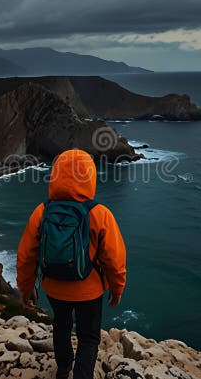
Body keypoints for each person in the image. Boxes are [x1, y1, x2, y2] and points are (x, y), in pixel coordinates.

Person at [16, 149, 127, 379]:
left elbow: (26, 255)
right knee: (88, 337)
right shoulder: (100, 214)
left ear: (56, 174)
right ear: (90, 176)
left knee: (62, 326)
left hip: (54, 288)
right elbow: (114, 259)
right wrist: (117, 289)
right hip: (89, 291)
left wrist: (26, 287)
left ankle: (64, 368)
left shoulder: (42, 211)